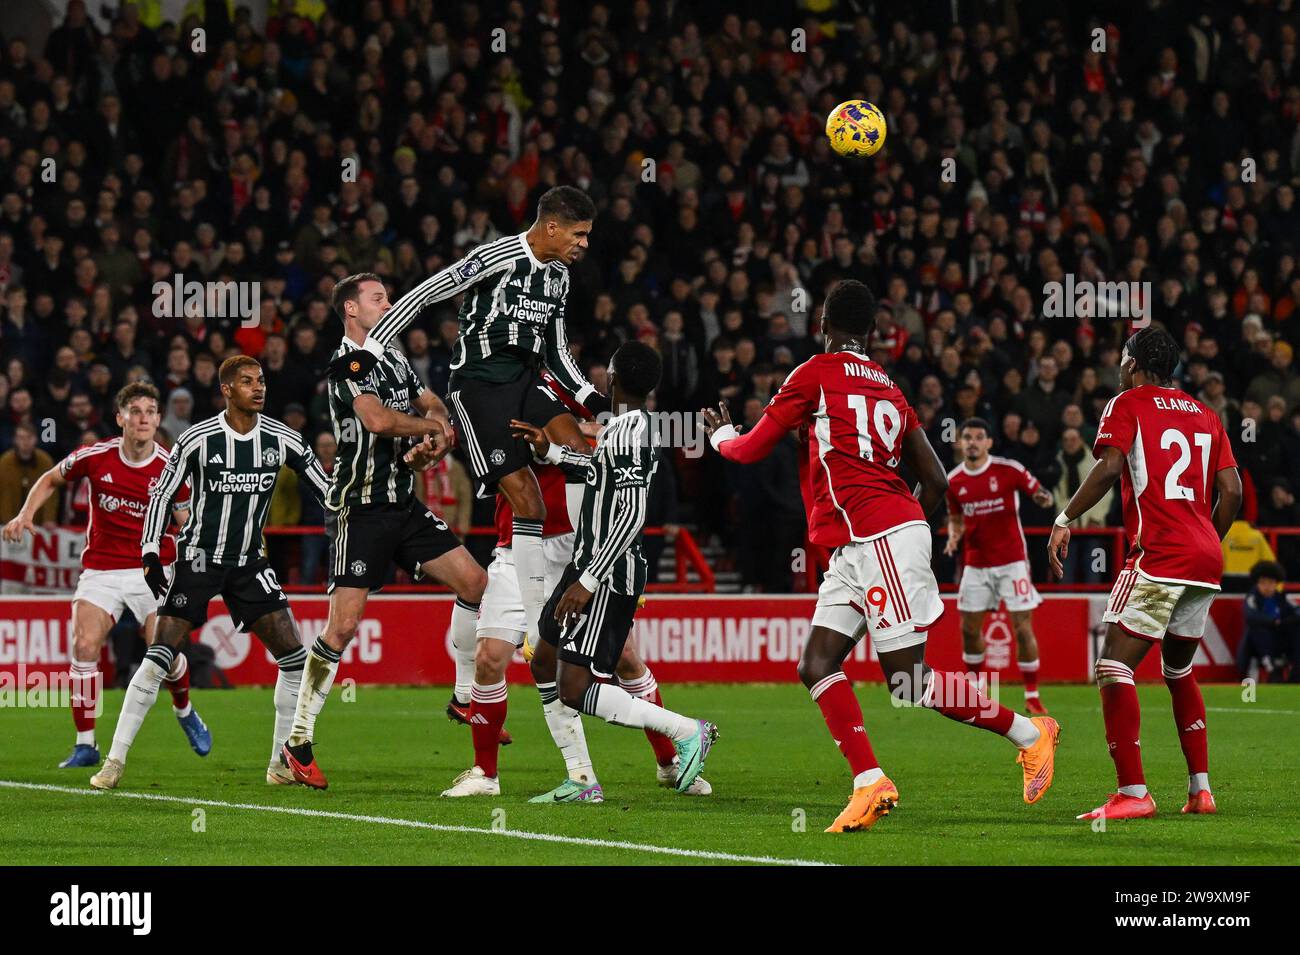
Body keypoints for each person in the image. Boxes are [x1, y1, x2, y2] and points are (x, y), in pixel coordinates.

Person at [702, 280, 1059, 833]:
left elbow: (748, 450)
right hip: (862, 542)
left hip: (877, 539)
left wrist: (722, 434)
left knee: (907, 683)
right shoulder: (889, 386)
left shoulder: (813, 374)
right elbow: (936, 479)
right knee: (816, 665)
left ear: (823, 323)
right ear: (871, 332)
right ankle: (869, 780)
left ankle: (1031, 733)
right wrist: (905, 519)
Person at [328, 187, 605, 658]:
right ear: (552, 226)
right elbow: (424, 294)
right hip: (480, 387)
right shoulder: (496, 256)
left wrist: (590, 399)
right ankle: (540, 625)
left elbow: (557, 349)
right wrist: (370, 355)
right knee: (528, 503)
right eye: (579, 235)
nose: (584, 245)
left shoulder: (558, 276)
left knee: (583, 454)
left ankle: (587, 571)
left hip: (528, 381)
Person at [279, 273, 487, 789]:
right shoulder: (348, 364)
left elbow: (432, 404)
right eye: (378, 299)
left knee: (476, 584)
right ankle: (298, 740)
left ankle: (463, 698)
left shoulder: (393, 355)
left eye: (388, 297)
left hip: (403, 506)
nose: (389, 305)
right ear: (351, 310)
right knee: (343, 627)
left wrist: (435, 437)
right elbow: (375, 420)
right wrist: (429, 429)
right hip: (360, 510)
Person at [88, 356, 330, 790]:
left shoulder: (283, 438)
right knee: (159, 656)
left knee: (295, 659)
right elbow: (161, 494)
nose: (258, 388)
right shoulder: (198, 438)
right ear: (226, 390)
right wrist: (148, 551)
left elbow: (326, 489)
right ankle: (114, 761)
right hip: (197, 560)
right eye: (246, 382)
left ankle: (279, 763)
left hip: (249, 563)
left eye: (261, 381)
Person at [442, 434, 711, 799]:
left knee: (625, 659)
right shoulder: (504, 403)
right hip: (517, 546)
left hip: (577, 549)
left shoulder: (573, 403)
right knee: (489, 659)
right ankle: (486, 774)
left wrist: (558, 440)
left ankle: (668, 763)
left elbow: (599, 444)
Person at [1048, 327, 1242, 821]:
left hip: (1161, 553)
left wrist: (1065, 518)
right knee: (1177, 670)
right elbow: (1233, 492)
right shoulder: (1206, 414)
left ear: (1132, 363)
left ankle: (1134, 791)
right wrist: (1204, 539)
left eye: (1121, 357)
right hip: (1204, 558)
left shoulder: (1127, 403)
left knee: (1113, 665)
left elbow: (1111, 467)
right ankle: (1201, 790)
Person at [520, 341, 718, 795]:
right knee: (543, 661)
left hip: (606, 575)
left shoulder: (629, 431)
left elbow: (631, 513)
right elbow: (601, 472)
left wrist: (588, 582)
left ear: (612, 379)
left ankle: (687, 730)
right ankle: (581, 778)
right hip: (585, 566)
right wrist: (553, 454)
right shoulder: (625, 428)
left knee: (573, 687)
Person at [2, 383, 205, 768]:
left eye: (150, 411)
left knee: (163, 653)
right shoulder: (97, 456)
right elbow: (50, 478)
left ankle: (185, 710)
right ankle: (85, 744)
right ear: (120, 418)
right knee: (83, 647)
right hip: (102, 569)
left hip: (153, 570)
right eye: (136, 411)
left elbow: (186, 521)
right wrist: (26, 514)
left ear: (159, 420)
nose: (143, 418)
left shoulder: (170, 466)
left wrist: (200, 558)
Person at [944, 417, 1055, 713]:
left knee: (1021, 626)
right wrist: (954, 536)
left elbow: (1039, 491)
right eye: (967, 437)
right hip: (976, 564)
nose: (973, 442)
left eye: (979, 437)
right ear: (960, 442)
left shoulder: (1008, 470)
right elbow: (955, 518)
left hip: (1012, 563)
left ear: (989, 442)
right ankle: (978, 690)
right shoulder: (954, 481)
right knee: (969, 629)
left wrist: (1045, 499)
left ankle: (1031, 694)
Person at [1238, 561, 1298, 682]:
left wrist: (1287, 621)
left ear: (1276, 584)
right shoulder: (1252, 598)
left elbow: (1296, 611)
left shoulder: (1281, 598)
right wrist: (1273, 622)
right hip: (1256, 647)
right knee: (1258, 628)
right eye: (1263, 583)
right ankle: (1270, 666)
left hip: (1279, 642)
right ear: (1257, 583)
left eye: (1270, 583)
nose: (1267, 587)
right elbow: (1251, 616)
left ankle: (1296, 671)